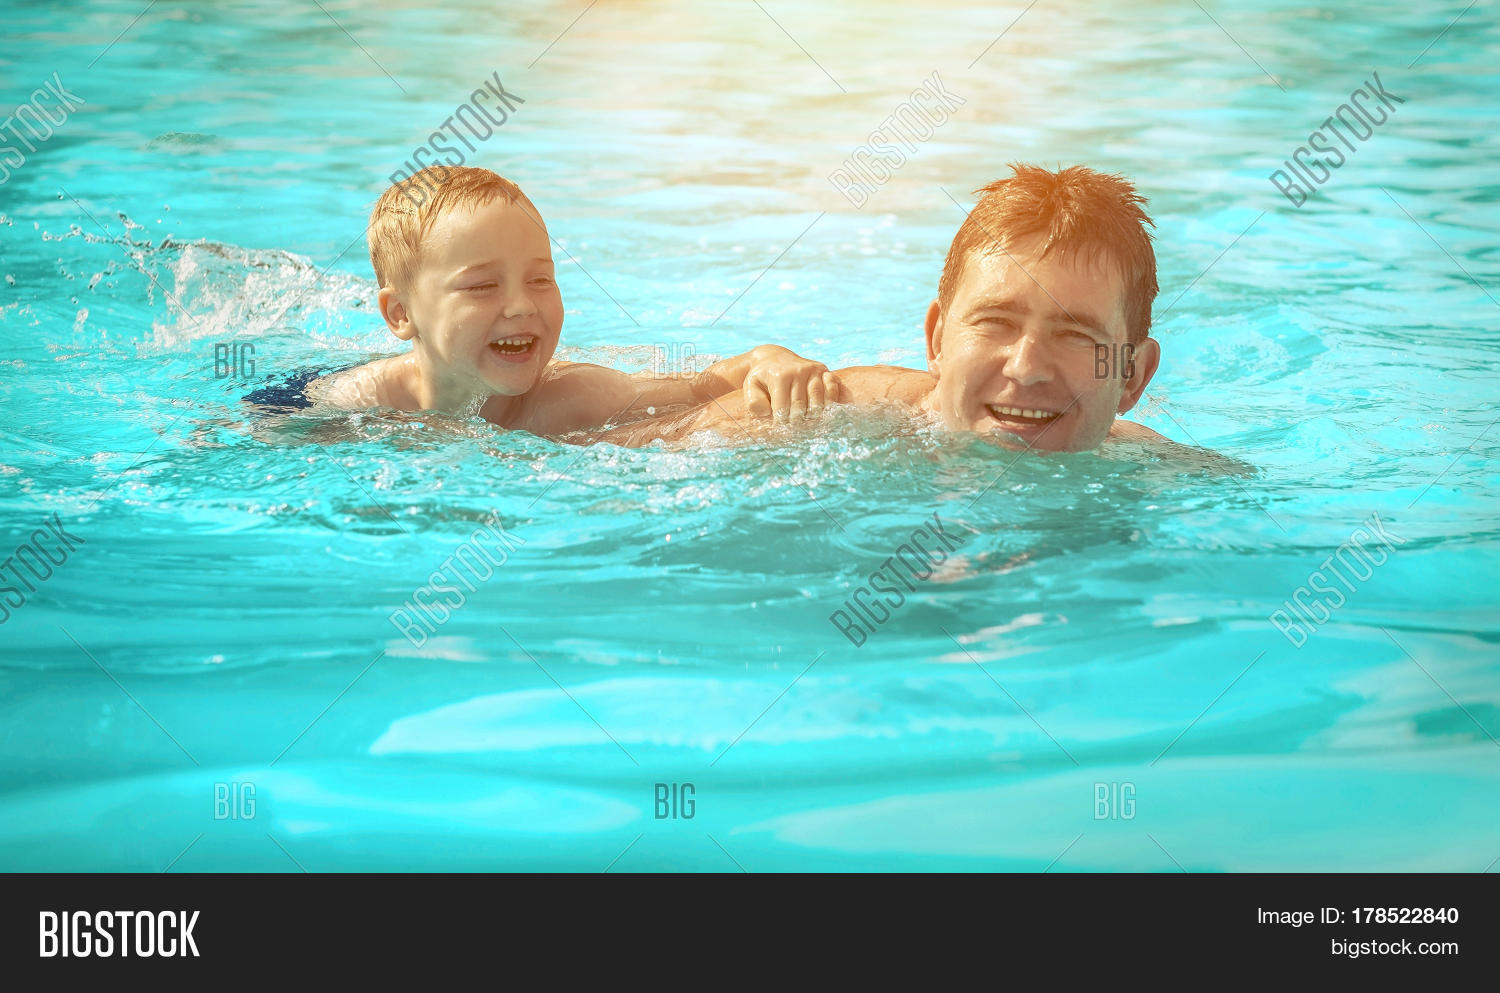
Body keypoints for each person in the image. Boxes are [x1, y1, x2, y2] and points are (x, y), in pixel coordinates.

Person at [597, 164, 1171, 453]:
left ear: (1132, 375)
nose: (1026, 368)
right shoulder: (821, 421)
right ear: (937, 341)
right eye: (996, 323)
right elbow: (585, 455)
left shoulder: (1161, 472)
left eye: (1077, 335)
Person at [246, 166, 837, 433]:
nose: (521, 306)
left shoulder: (577, 395)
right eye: (483, 286)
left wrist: (770, 359)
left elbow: (707, 385)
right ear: (401, 314)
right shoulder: (352, 402)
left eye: (540, 279)